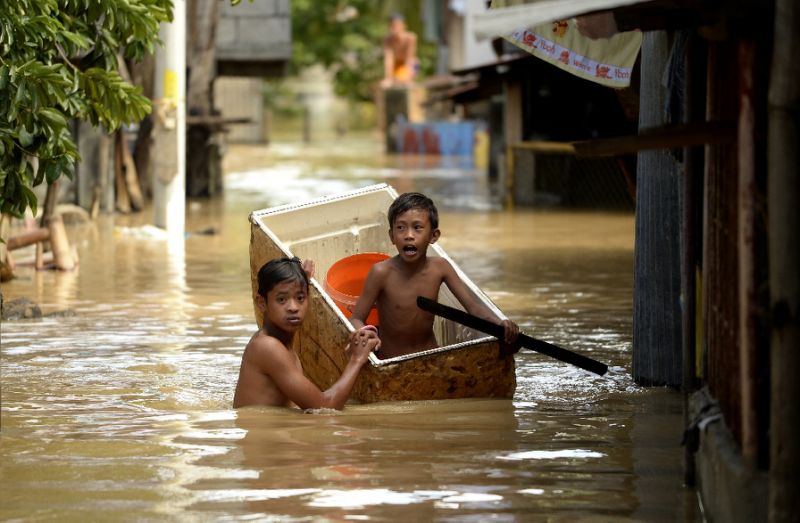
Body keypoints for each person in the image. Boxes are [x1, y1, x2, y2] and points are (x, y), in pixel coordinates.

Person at [349, 193, 519, 359]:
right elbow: (356, 318)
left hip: (431, 359)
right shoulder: (381, 273)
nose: (408, 235)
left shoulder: (440, 267)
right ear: (392, 236)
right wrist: (366, 333)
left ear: (433, 236)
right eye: (400, 228)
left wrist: (501, 323)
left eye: (417, 228)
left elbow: (473, 308)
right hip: (391, 362)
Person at [233, 257, 380, 410]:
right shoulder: (267, 347)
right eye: (281, 299)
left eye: (300, 298)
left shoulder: (280, 342)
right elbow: (325, 408)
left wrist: (303, 279)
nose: (293, 307)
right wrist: (356, 360)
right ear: (262, 303)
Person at [381, 13, 418, 87]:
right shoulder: (387, 39)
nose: (395, 28)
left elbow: (410, 57)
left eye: (397, 25)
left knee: (415, 62)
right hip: (395, 65)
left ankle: (409, 80)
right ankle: (393, 79)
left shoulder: (410, 38)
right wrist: (388, 77)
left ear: (404, 25)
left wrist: (408, 77)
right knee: (389, 82)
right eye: (392, 26)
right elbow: (388, 59)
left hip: (407, 64)